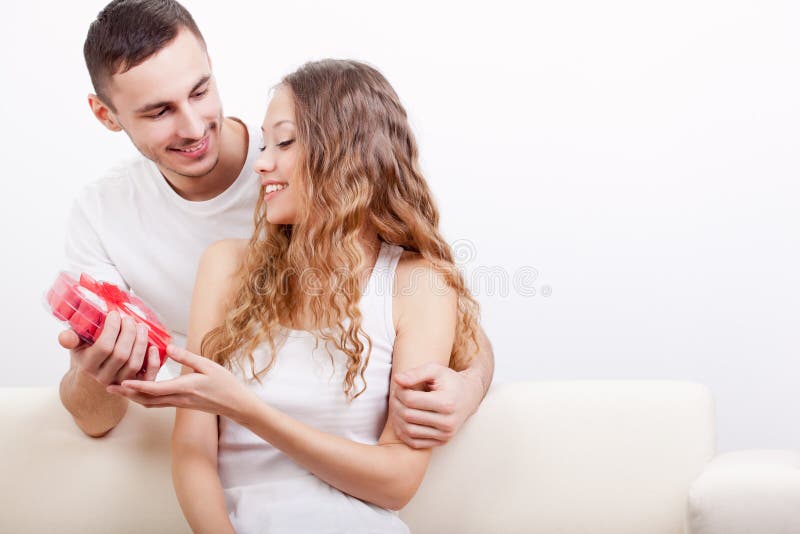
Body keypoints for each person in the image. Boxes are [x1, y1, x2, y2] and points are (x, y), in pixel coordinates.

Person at [59, 0, 494, 450]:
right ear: (106, 115)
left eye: (200, 91)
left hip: (328, 438)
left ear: (211, 66)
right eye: (159, 112)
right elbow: (94, 421)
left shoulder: (300, 172)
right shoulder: (101, 215)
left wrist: (470, 388)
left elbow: (446, 315)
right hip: (209, 445)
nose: (193, 126)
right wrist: (95, 372)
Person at [109, 58, 482, 533]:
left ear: (346, 151)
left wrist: (244, 408)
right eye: (264, 143)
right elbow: (192, 452)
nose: (262, 162)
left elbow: (396, 483)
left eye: (283, 142)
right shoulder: (226, 266)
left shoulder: (417, 284)